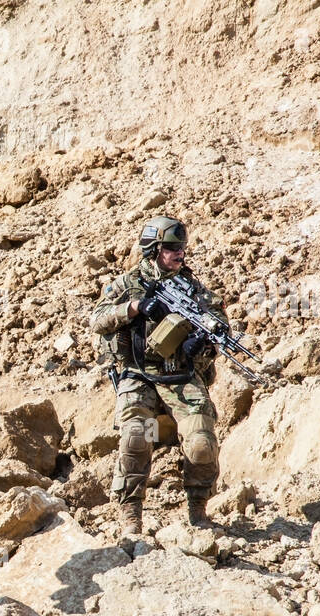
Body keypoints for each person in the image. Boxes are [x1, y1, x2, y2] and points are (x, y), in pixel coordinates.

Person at [89, 216, 222, 536]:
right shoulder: (127, 283)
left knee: (201, 439)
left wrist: (202, 342)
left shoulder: (192, 288)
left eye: (183, 248)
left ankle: (198, 511)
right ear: (153, 249)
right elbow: (98, 319)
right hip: (139, 375)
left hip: (180, 376)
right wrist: (134, 307)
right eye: (172, 248)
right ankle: (131, 516)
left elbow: (218, 322)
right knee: (137, 436)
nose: (180, 254)